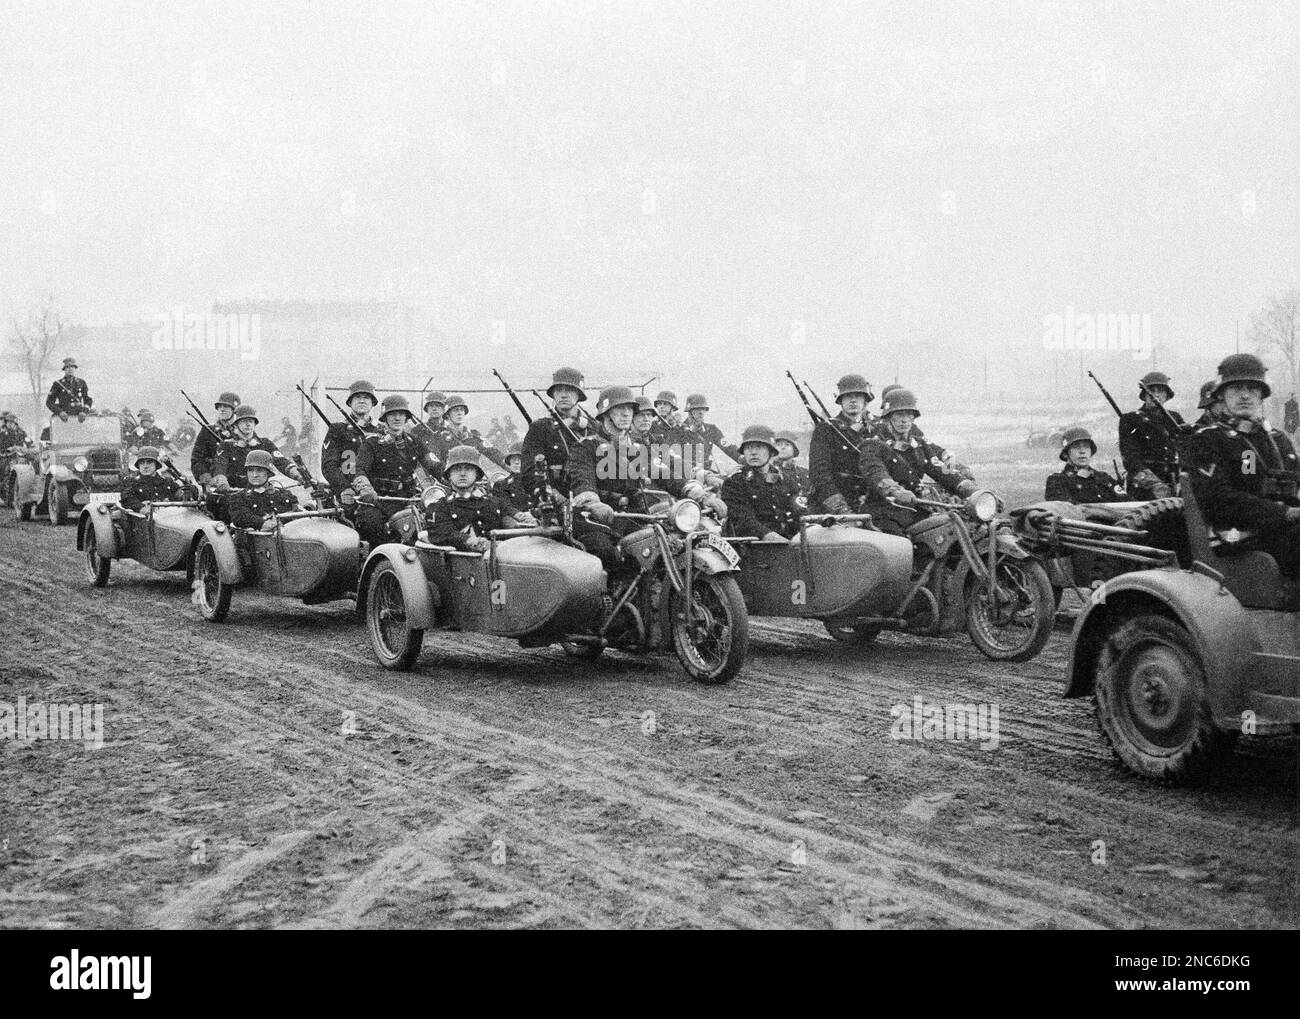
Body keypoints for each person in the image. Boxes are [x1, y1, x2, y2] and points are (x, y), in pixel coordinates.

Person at [1186, 354, 1300, 576]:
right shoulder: (1207, 440)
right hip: (1238, 536)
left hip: (1283, 532)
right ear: (1222, 395)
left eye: (1253, 389)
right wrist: (1285, 513)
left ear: (1261, 396)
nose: (1245, 395)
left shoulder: (1278, 439)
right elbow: (1218, 501)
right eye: (1236, 389)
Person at [858, 388, 976, 535]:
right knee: (900, 548)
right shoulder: (873, 445)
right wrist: (895, 490)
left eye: (909, 414)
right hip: (884, 513)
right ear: (888, 417)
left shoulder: (919, 445)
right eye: (899, 414)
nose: (904, 420)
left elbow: (941, 469)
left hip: (916, 509)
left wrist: (969, 488)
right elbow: (876, 473)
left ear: (914, 418)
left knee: (951, 532)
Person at [351, 395, 437, 545]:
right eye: (392, 414)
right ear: (385, 418)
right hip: (379, 502)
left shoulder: (414, 441)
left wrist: (452, 479)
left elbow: (434, 465)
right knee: (371, 525)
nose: (397, 418)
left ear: (406, 417)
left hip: (409, 499)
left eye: (401, 414)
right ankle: (376, 563)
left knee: (434, 521)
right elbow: (360, 470)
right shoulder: (372, 443)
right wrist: (366, 489)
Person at [425, 445, 537, 551]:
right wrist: (480, 544)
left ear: (477, 474)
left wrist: (531, 521)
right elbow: (444, 534)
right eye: (457, 469)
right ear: (449, 474)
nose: (463, 473)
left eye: (468, 469)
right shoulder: (439, 508)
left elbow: (517, 518)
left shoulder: (494, 502)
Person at [520, 367, 595, 507]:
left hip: (591, 501)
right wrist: (556, 498)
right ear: (553, 395)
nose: (563, 395)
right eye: (559, 390)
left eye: (569, 390)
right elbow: (529, 473)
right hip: (552, 504)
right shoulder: (541, 428)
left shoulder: (593, 428)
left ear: (579, 394)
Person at [809, 373, 876, 513]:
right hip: (838, 503)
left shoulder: (876, 429)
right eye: (847, 396)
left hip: (872, 503)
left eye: (858, 396)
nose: (853, 400)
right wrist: (839, 507)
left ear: (865, 400)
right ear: (840, 401)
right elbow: (820, 474)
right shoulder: (826, 429)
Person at [722, 425, 802, 540]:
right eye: (749, 448)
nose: (753, 453)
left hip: (790, 542)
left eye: (759, 447)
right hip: (755, 546)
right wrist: (775, 538)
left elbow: (799, 511)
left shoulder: (786, 479)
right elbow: (743, 521)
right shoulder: (735, 482)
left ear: (771, 452)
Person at [1118, 370, 1186, 499]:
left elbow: (1185, 450)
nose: (1155, 395)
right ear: (1144, 396)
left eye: (1160, 391)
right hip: (1144, 489)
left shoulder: (1175, 418)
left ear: (1167, 395)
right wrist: (1154, 484)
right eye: (1151, 391)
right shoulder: (1130, 419)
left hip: (1173, 483)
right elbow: (1130, 458)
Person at [211, 405, 303, 490]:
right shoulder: (227, 446)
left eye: (251, 421)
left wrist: (298, 475)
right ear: (236, 424)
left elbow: (282, 462)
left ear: (255, 424)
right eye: (244, 421)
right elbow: (220, 468)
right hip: (235, 492)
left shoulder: (265, 444)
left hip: (262, 491)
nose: (248, 424)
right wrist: (223, 485)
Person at [321, 380, 382, 500]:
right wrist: (344, 488)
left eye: (366, 398)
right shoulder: (338, 430)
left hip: (378, 491)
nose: (362, 401)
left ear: (372, 403)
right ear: (350, 402)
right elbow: (329, 466)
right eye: (357, 397)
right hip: (349, 493)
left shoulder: (381, 431)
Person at [1044, 427, 1128, 504]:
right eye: (1076, 447)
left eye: (1086, 447)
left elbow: (1127, 502)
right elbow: (1066, 511)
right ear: (1066, 454)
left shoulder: (1103, 477)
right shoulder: (1057, 480)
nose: (1082, 451)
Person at [226, 450, 299, 531]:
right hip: (256, 541)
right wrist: (262, 523)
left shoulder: (285, 494)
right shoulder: (239, 497)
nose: (254, 475)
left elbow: (298, 512)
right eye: (250, 470)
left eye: (259, 470)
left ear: (268, 473)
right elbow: (240, 517)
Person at [434, 395, 507, 469]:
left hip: (472, 475)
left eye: (461, 410)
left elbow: (493, 452)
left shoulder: (473, 435)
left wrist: (509, 464)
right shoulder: (439, 436)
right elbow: (434, 463)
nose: (459, 413)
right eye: (456, 410)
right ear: (447, 415)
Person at [191, 390, 241, 483]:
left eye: (226, 406)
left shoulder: (243, 431)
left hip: (239, 481)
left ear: (235, 410)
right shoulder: (208, 431)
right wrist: (206, 477)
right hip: (214, 481)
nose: (222, 409)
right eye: (220, 406)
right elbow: (197, 459)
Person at [680, 393, 739, 470]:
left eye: (703, 409)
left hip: (707, 473)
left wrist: (742, 458)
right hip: (686, 475)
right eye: (697, 409)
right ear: (689, 412)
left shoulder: (711, 429)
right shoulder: (678, 431)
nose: (701, 412)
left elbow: (728, 447)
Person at [119, 447, 186, 511]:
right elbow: (127, 499)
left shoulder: (166, 481)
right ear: (138, 465)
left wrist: (186, 493)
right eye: (142, 463)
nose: (145, 466)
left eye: (149, 462)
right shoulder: (131, 482)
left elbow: (182, 492)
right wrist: (141, 508)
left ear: (156, 465)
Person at [490, 442, 531, 512]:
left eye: (520, 458)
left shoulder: (536, 483)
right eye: (514, 459)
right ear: (509, 462)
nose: (516, 462)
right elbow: (503, 508)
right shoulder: (501, 485)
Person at [774, 430, 810, 495]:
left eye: (787, 444)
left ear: (794, 449)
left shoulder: (804, 473)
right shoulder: (769, 471)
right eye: (778, 445)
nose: (783, 447)